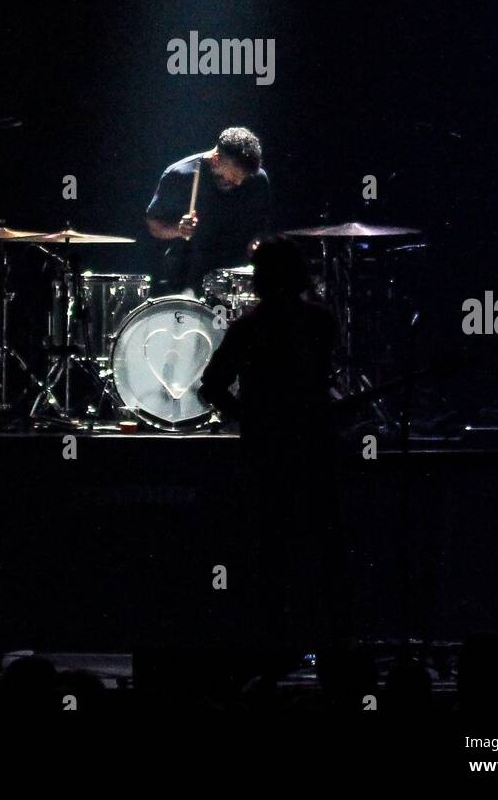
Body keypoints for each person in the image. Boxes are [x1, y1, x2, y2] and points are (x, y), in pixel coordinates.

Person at [198, 236, 343, 673]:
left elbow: (211, 385)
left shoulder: (249, 326)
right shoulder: (320, 322)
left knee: (269, 550)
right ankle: (316, 646)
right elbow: (320, 383)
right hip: (312, 448)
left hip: (266, 450)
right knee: (316, 547)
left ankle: (269, 648)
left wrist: (250, 417)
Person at [145, 126, 269, 293]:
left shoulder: (258, 180)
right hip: (186, 277)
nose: (238, 183)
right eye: (232, 177)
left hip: (236, 279)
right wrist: (179, 229)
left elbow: (261, 226)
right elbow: (154, 226)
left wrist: (257, 242)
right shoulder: (179, 175)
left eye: (242, 179)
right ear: (216, 159)